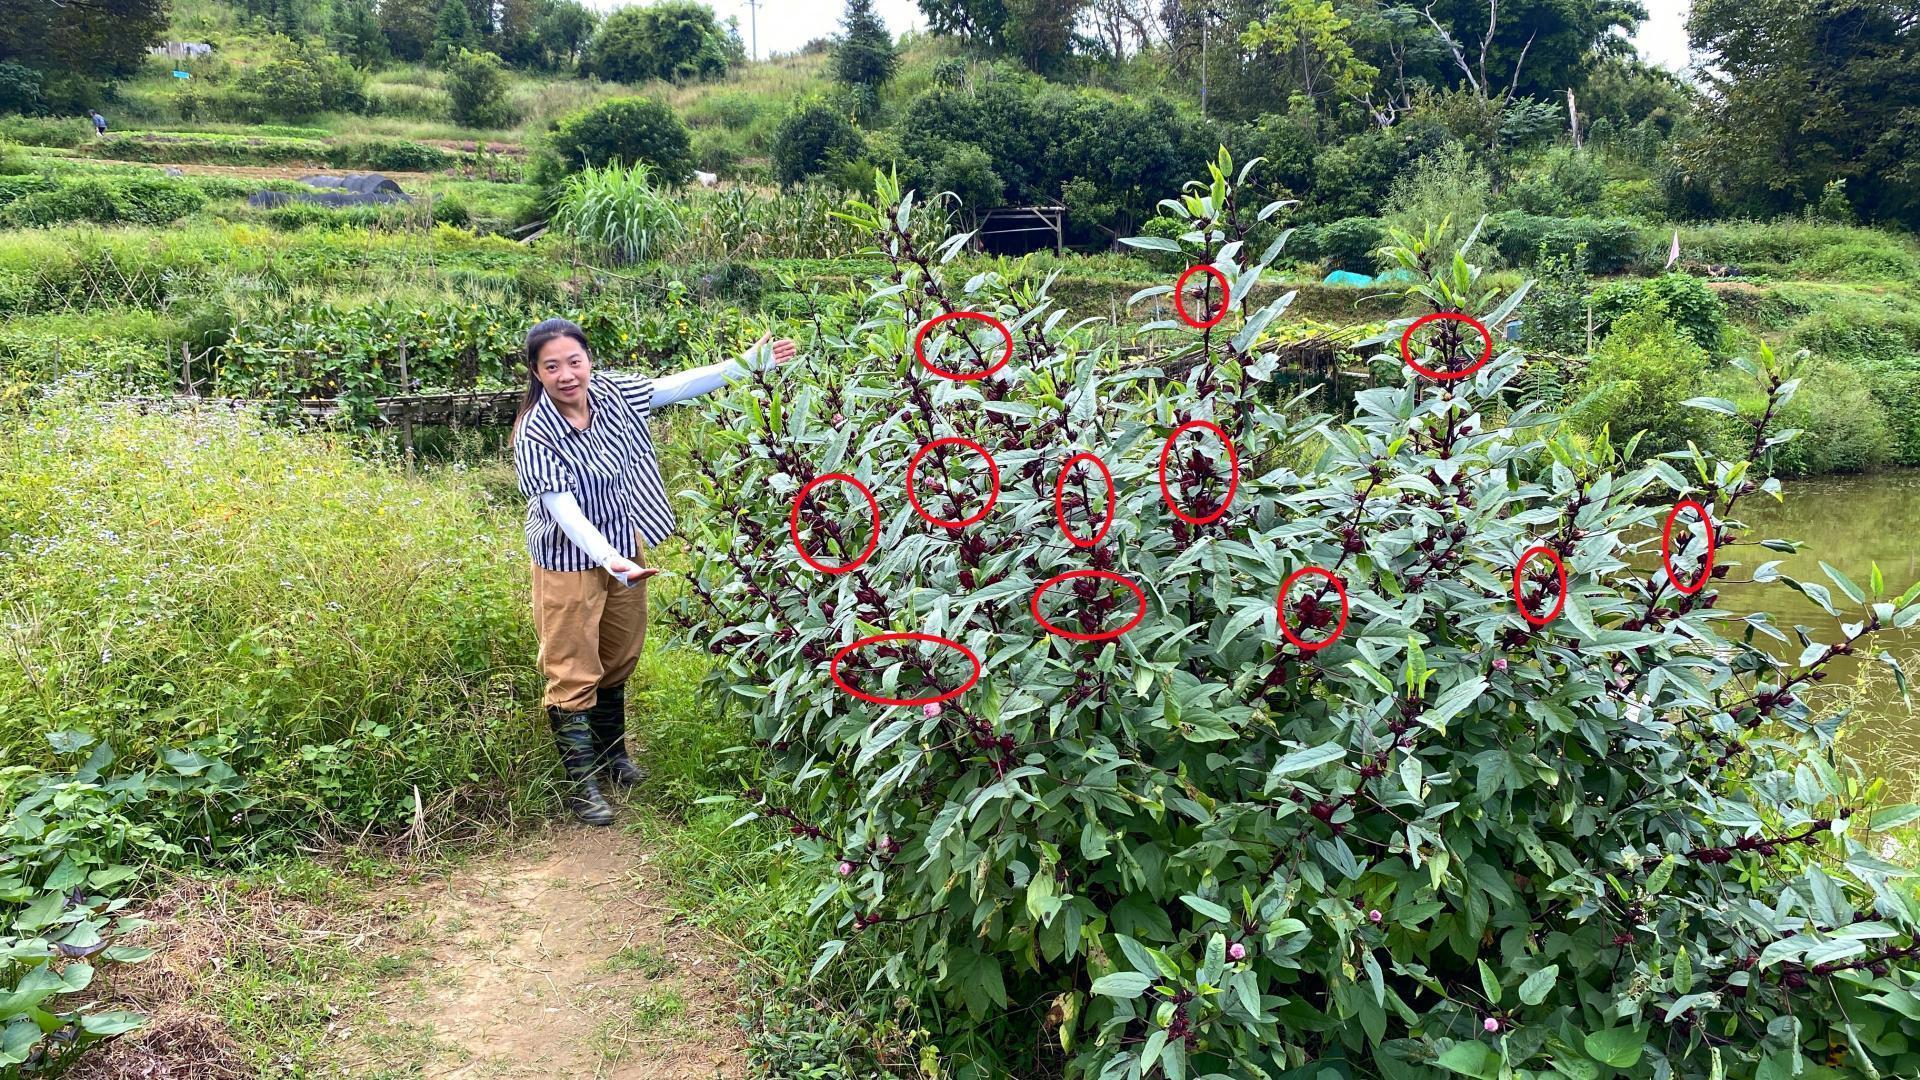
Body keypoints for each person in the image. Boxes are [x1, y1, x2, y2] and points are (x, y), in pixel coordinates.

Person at [511, 318, 798, 825]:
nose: (566, 375)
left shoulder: (612, 393)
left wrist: (748, 364)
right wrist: (608, 558)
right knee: (571, 664)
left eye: (574, 361)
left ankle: (613, 757)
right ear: (536, 372)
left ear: (589, 360)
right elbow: (561, 508)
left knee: (620, 653)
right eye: (551, 366)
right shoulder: (536, 430)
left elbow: (677, 385)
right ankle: (583, 786)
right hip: (569, 559)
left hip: (624, 546)